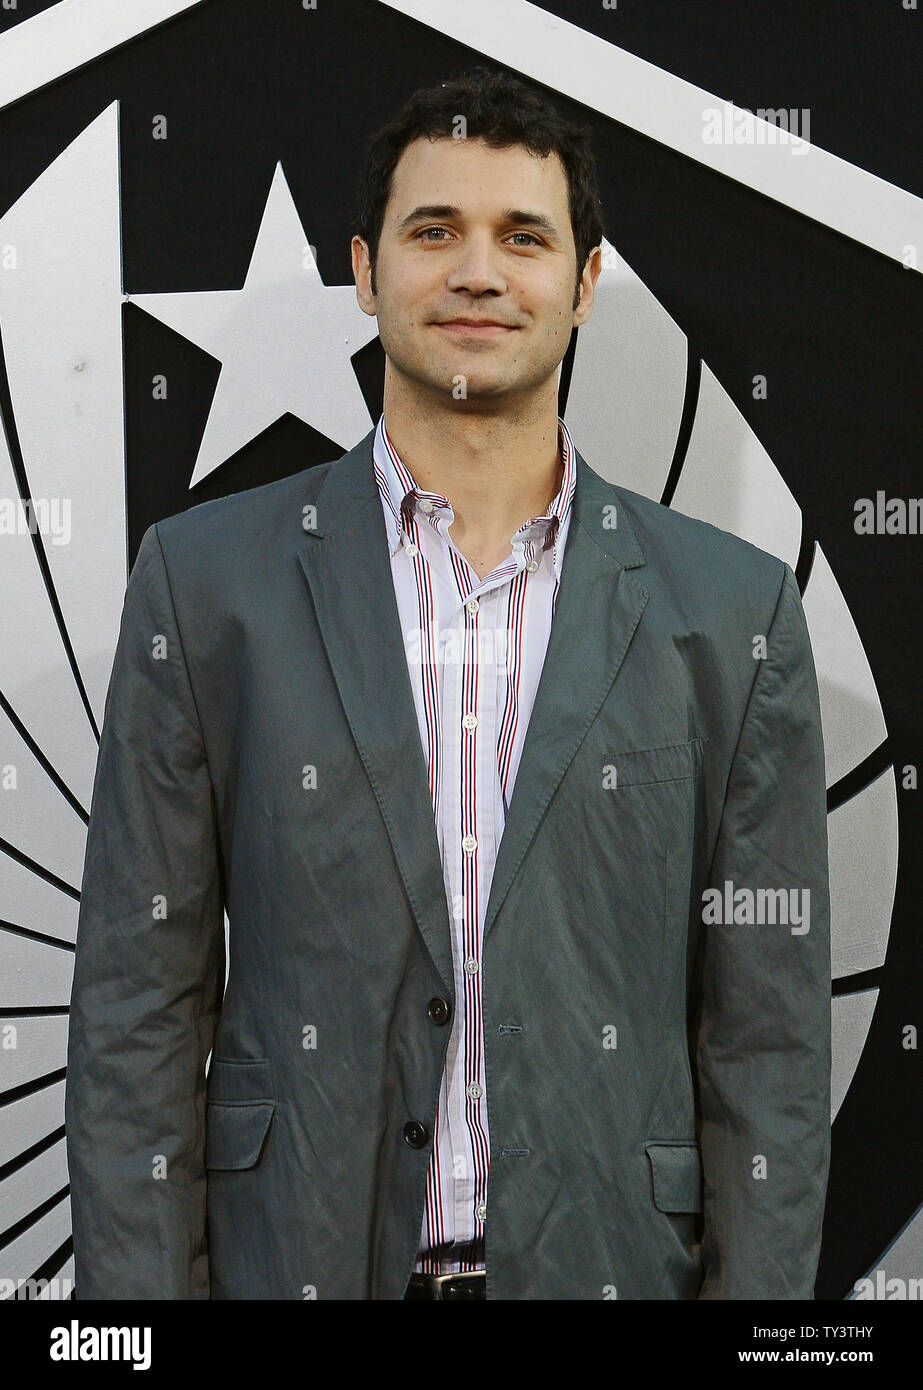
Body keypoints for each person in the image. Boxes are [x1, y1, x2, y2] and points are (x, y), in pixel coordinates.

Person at [65, 66, 831, 1300]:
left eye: (522, 237)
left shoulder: (732, 615)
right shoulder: (203, 586)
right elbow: (134, 1011)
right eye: (434, 232)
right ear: (364, 272)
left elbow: (769, 1048)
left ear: (583, 283)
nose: (478, 272)